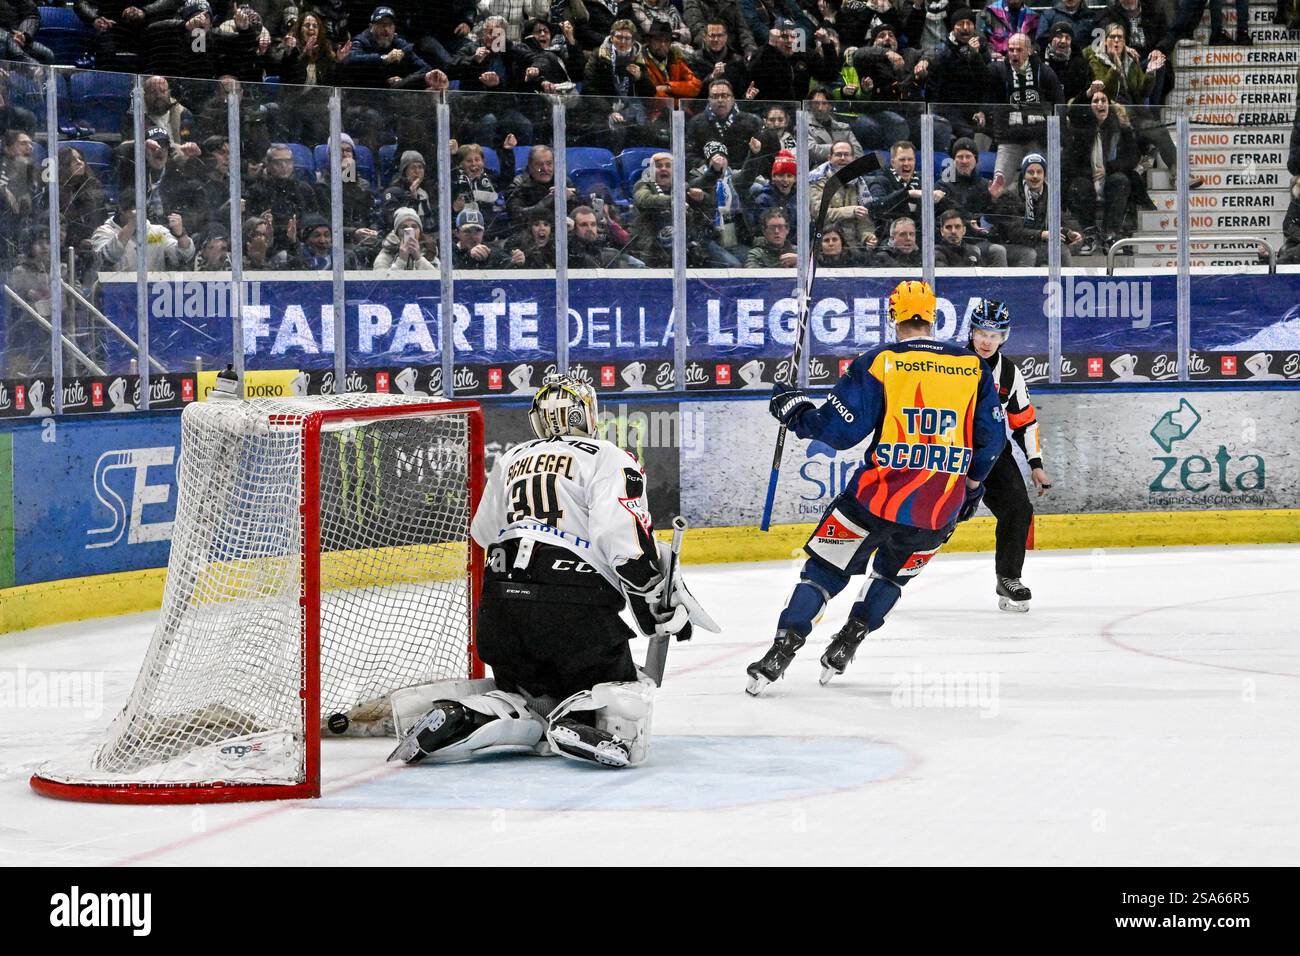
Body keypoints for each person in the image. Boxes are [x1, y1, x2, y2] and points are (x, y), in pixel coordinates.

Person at [387, 373, 709, 769]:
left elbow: (484, 532)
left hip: (498, 614)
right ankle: (581, 720)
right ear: (586, 414)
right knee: (622, 686)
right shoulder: (607, 456)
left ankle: (473, 715)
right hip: (572, 614)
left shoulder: (512, 457)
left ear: (538, 419)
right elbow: (621, 542)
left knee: (522, 697)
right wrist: (654, 602)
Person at [747, 280, 1005, 693]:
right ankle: (848, 641)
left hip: (872, 501)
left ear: (893, 316)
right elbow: (991, 442)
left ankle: (781, 652)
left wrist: (795, 412)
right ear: (934, 316)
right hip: (937, 510)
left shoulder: (881, 360)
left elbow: (839, 431)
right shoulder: (973, 367)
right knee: (892, 578)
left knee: (823, 572)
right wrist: (970, 490)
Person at [965, 299, 1051, 611]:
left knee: (1018, 508)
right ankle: (886, 572)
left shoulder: (1010, 374)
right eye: (981, 332)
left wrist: (1036, 464)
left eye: (995, 334)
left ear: (1005, 336)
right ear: (971, 332)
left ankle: (1008, 577)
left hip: (990, 452)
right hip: (948, 450)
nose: (987, 340)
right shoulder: (950, 364)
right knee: (922, 515)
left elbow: (1025, 421)